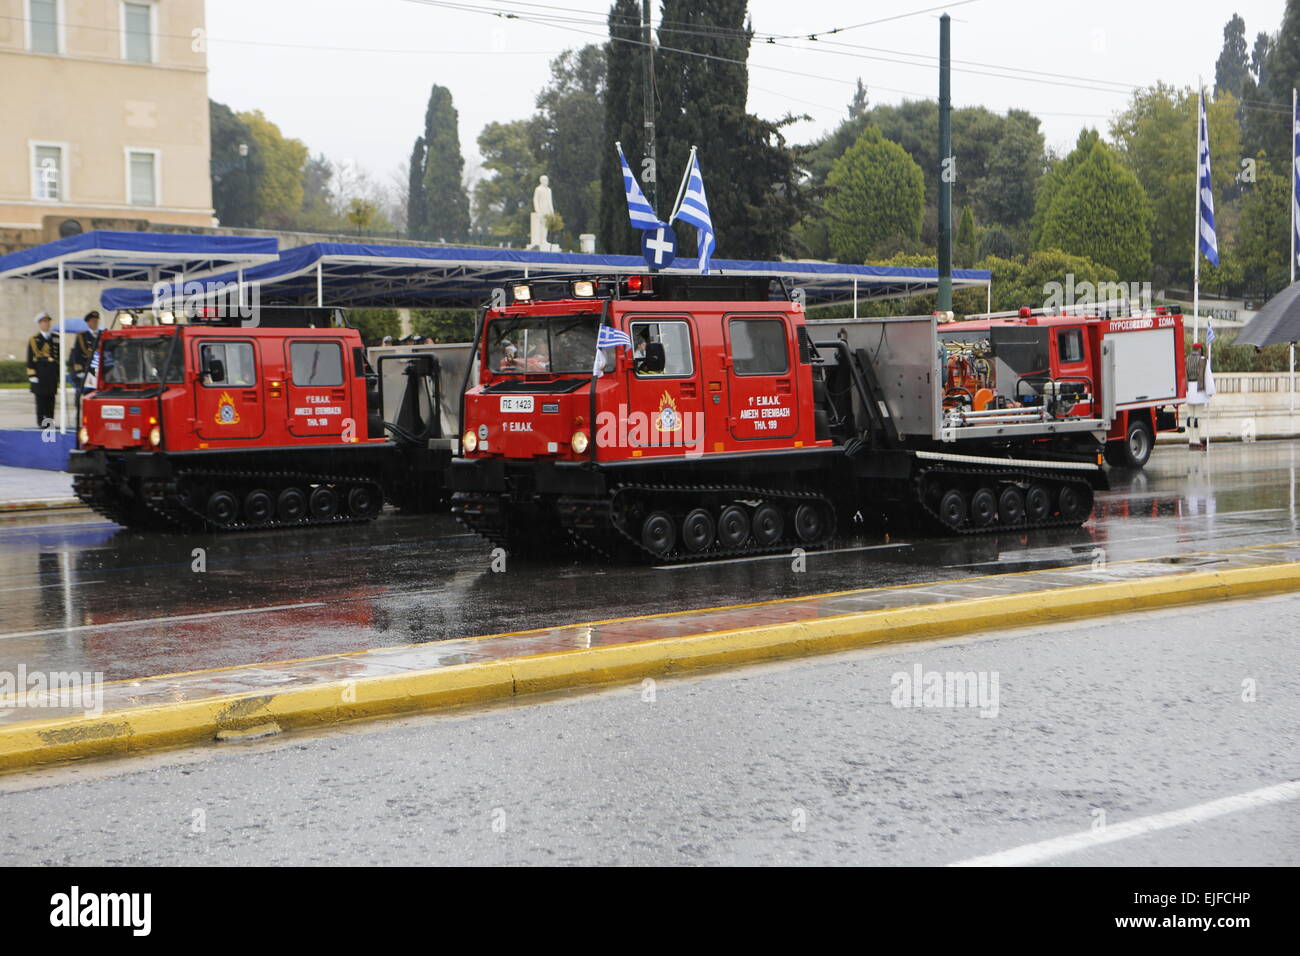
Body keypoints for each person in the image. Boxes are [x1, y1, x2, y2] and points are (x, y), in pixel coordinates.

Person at [26, 313, 60, 428]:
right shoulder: (34, 340)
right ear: (40, 324)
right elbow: (30, 358)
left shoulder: (56, 337)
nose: (46, 324)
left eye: (48, 322)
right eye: (44, 322)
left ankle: (49, 422)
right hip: (40, 375)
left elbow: (58, 357)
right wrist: (32, 375)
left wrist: (59, 373)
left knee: (51, 400)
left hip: (52, 375)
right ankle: (41, 422)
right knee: (41, 401)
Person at [72, 310, 101, 397]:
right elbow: (76, 354)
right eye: (93, 321)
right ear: (88, 323)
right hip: (87, 369)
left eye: (96, 321)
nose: (95, 323)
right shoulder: (82, 336)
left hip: (100, 370)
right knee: (88, 394)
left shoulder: (102, 334)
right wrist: (79, 370)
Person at [1185, 341, 1209, 449]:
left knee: (1190, 415)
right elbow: (1207, 376)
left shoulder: (1186, 359)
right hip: (1199, 389)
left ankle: (1191, 439)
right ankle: (1196, 439)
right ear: (1199, 350)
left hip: (1189, 388)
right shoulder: (1203, 360)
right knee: (1198, 416)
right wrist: (1210, 390)